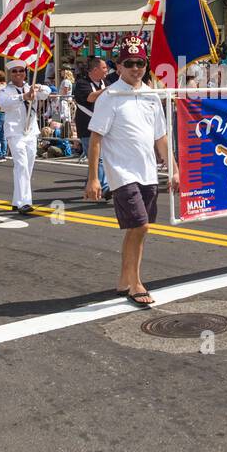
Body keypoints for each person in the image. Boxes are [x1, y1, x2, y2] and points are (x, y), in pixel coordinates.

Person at [84, 35, 175, 308]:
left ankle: (124, 279)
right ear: (119, 67)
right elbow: (96, 138)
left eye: (140, 62)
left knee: (138, 230)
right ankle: (136, 284)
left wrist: (174, 169)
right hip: (122, 173)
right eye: (129, 63)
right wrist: (92, 179)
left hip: (147, 171)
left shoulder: (150, 95)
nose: (136, 68)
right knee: (140, 225)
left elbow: (161, 136)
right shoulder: (110, 96)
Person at [0, 58, 51, 214]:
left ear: (25, 73)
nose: (18, 73)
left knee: (27, 166)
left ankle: (17, 200)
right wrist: (23, 97)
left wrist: (38, 87)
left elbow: (47, 93)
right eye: (15, 71)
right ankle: (24, 203)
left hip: (30, 131)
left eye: (21, 70)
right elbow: (3, 103)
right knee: (21, 165)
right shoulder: (5, 90)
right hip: (15, 132)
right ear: (10, 74)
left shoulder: (31, 87)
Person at [74, 57, 116, 197]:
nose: (106, 71)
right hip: (87, 127)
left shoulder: (106, 82)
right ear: (95, 70)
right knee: (98, 158)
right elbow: (90, 97)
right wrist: (109, 89)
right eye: (104, 68)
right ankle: (104, 188)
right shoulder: (82, 83)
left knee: (98, 158)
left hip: (105, 127)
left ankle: (90, 185)